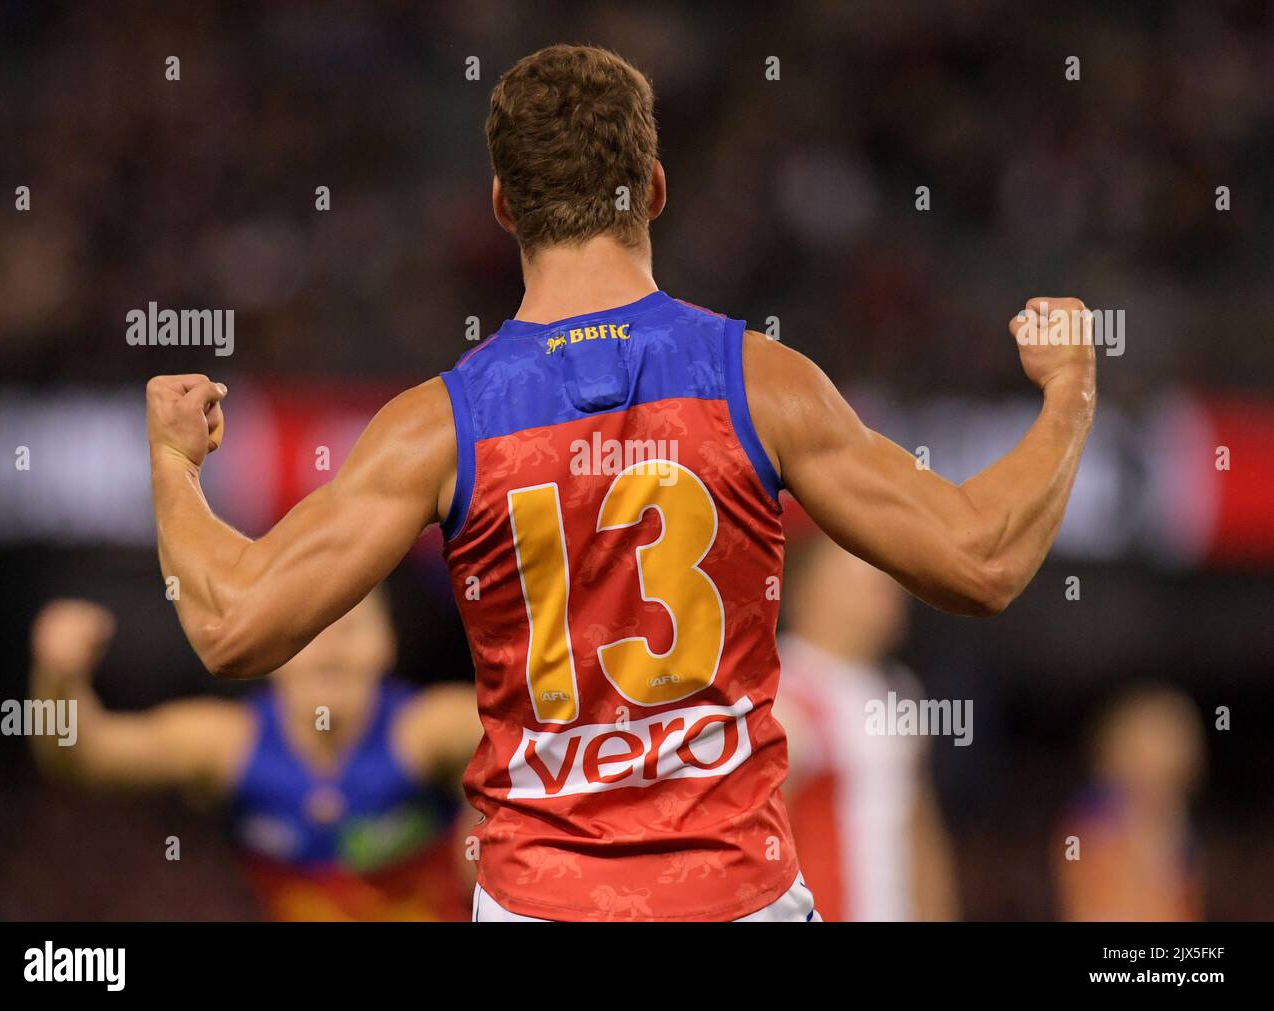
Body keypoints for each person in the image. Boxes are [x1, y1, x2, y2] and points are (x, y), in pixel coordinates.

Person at [142, 44, 1096, 921]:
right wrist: (1068, 393)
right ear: (654, 188)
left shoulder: (437, 426)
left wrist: (177, 465)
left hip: (540, 901)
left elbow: (233, 627)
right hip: (736, 898)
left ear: (505, 207)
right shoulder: (762, 384)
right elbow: (983, 557)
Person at [29, 592, 478, 921]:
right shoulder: (225, 746)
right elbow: (85, 758)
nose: (329, 648)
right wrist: (57, 676)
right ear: (271, 650)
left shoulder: (434, 732)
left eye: (349, 626)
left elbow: (538, 736)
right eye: (307, 631)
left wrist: (484, 813)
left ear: (385, 644)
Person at [777, 538, 959, 921]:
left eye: (888, 585)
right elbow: (759, 841)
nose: (888, 599)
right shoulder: (783, 690)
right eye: (867, 586)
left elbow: (920, 834)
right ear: (810, 593)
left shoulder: (899, 690)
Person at [1056, 687, 1205, 921]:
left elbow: (1183, 903)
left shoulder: (1175, 822)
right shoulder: (1093, 819)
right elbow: (1093, 904)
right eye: (1150, 762)